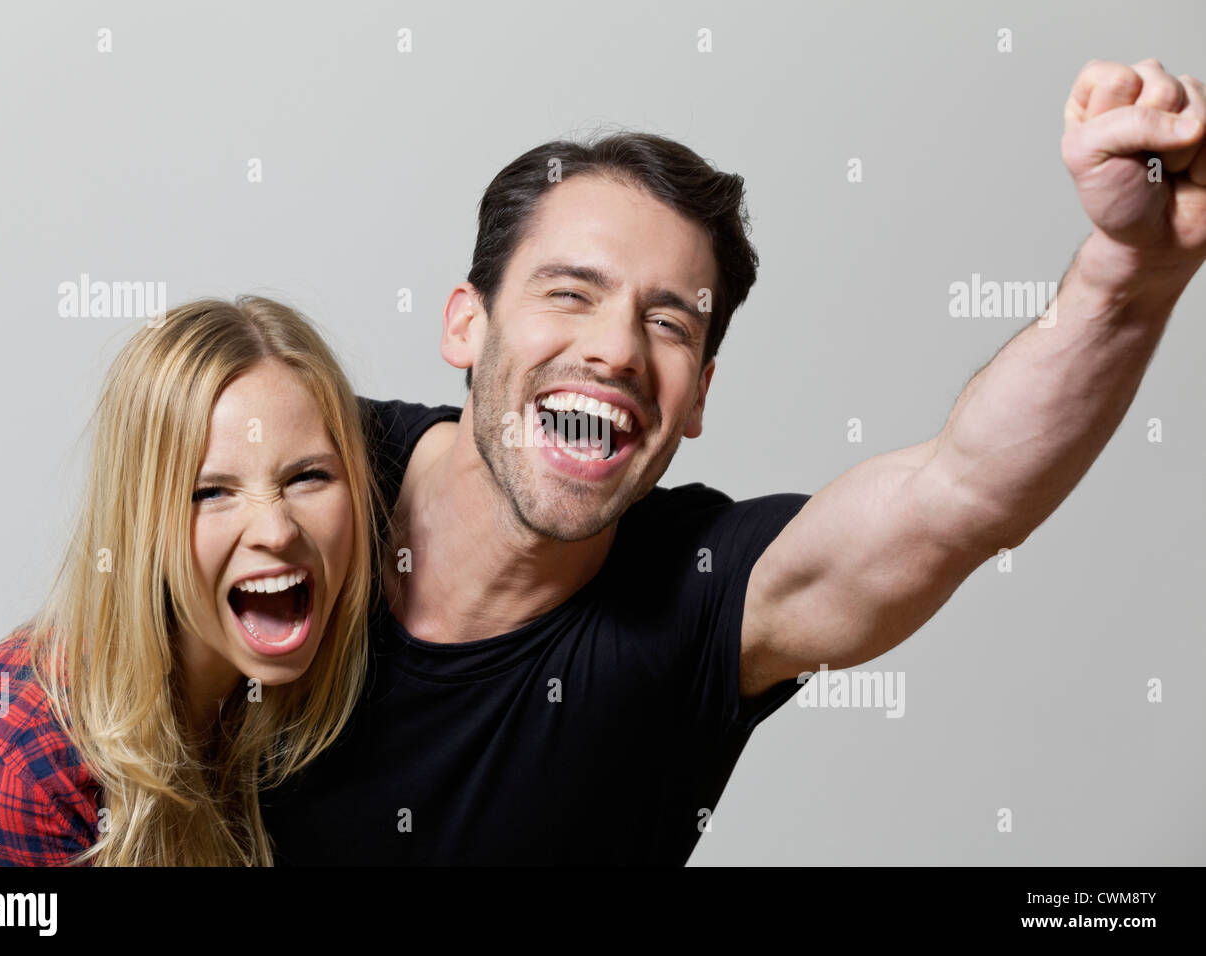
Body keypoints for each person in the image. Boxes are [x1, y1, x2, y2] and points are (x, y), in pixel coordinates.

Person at [262, 58, 1206, 864]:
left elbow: (961, 492)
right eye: (571, 293)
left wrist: (1130, 276)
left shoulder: (701, 594)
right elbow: (121, 661)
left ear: (701, 393)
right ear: (466, 324)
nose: (618, 351)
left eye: (668, 321)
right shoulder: (297, 466)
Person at [0, 296, 377, 866]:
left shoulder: (296, 696)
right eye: (212, 492)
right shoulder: (17, 757)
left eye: (308, 476)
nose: (276, 531)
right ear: (140, 527)